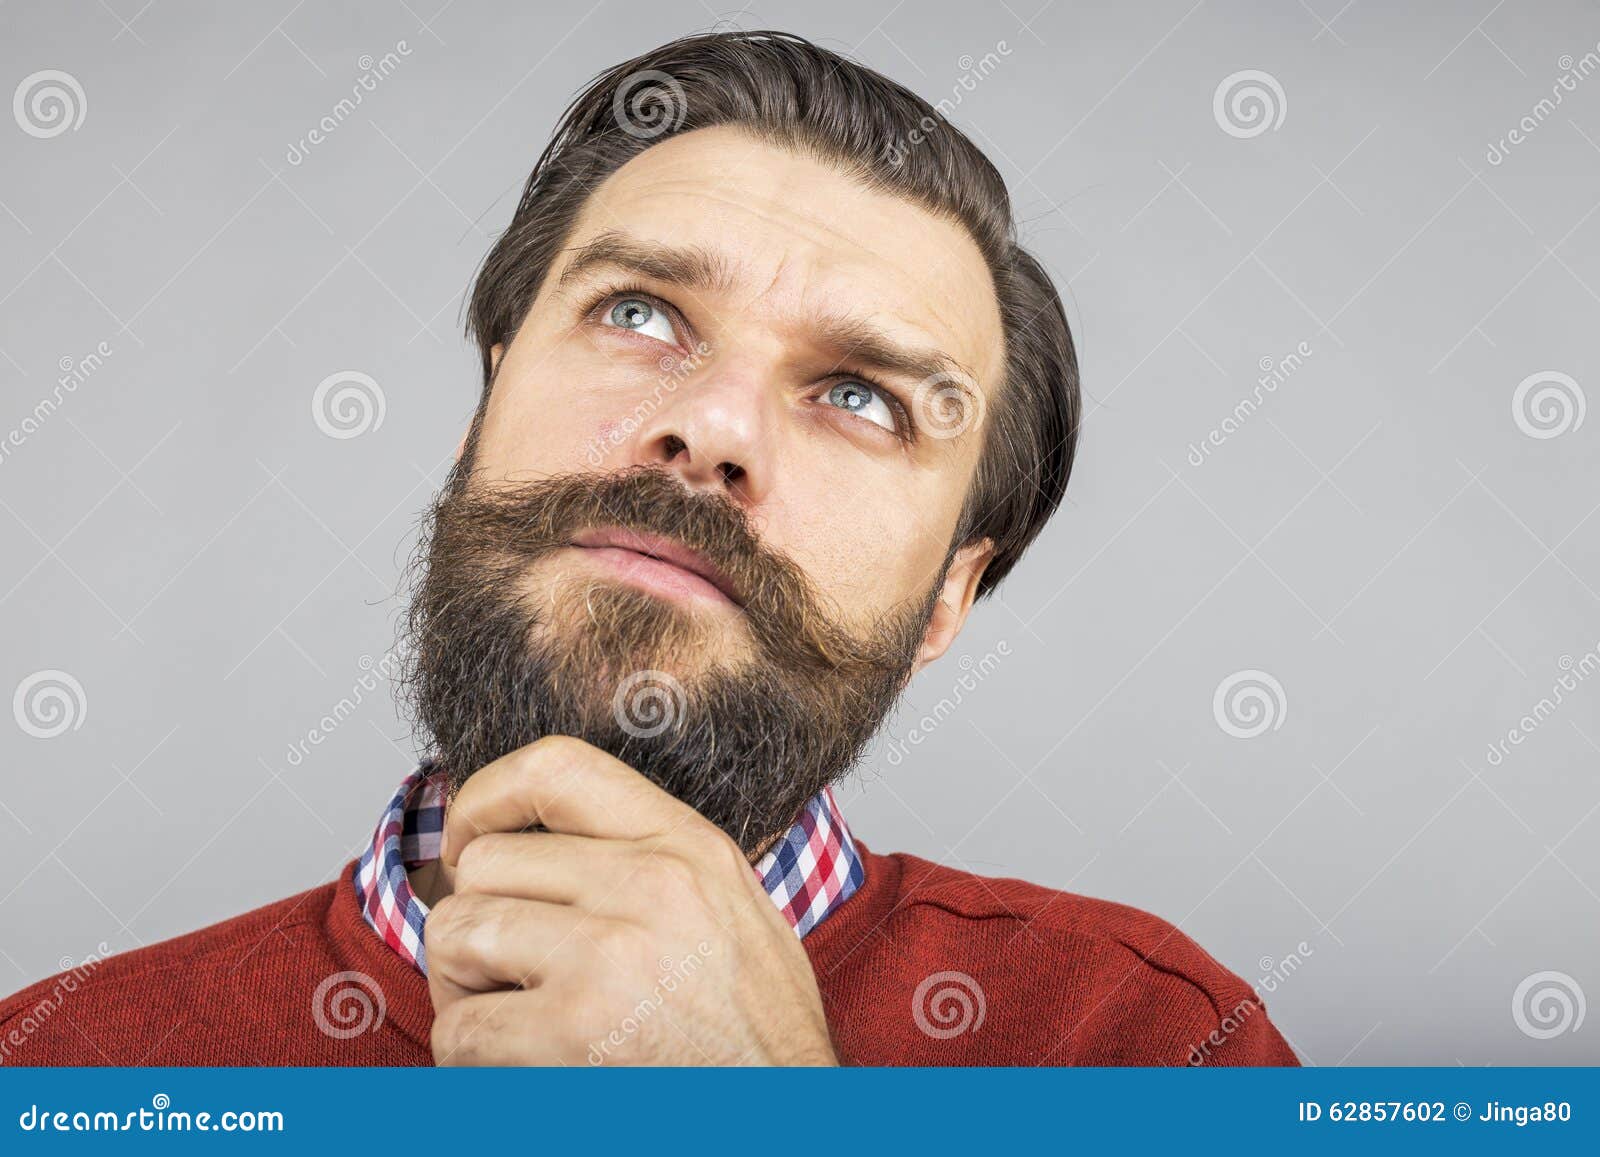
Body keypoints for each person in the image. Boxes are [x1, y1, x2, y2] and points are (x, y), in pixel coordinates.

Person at [0, 30, 1295, 1067]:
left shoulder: (1149, 1052)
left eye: (860, 396)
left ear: (951, 593)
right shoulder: (63, 1074)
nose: (713, 429)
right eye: (639, 311)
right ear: (482, 412)